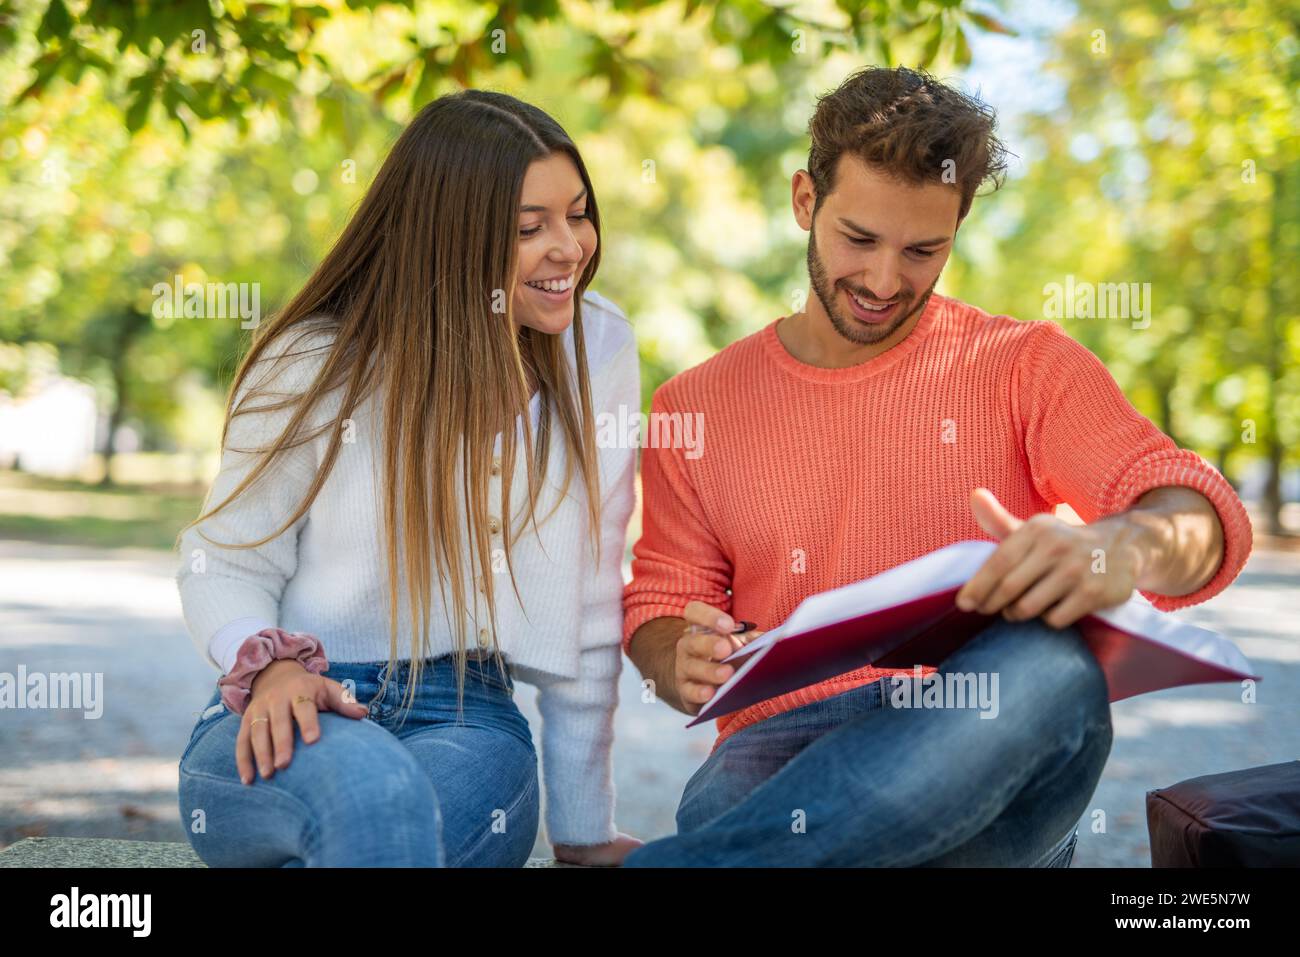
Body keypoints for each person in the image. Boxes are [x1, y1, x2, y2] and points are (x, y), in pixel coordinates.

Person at [620, 66, 1253, 867]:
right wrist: (677, 650)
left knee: (1056, 670)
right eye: (860, 239)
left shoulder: (1024, 364)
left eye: (924, 250)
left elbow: (1198, 512)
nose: (886, 282)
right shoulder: (696, 403)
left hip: (984, 730)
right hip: (783, 753)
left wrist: (1119, 547)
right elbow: (659, 603)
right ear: (804, 202)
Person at [176, 90, 642, 867]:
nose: (570, 247)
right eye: (530, 228)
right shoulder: (314, 360)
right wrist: (271, 664)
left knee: (396, 825)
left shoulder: (598, 346)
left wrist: (585, 828)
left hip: (468, 718)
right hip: (294, 698)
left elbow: (592, 609)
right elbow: (220, 558)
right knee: (377, 800)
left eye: (578, 213)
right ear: (448, 234)